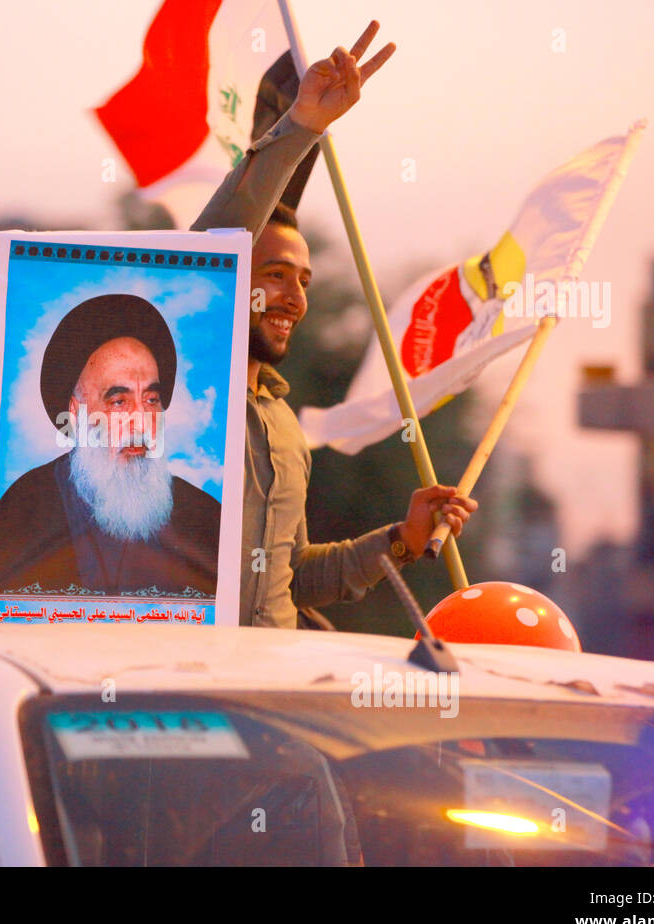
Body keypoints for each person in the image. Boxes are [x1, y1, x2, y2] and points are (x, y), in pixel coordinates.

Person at [189, 22, 478, 627]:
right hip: (180, 685)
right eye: (274, 274)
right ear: (230, 276)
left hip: (268, 694)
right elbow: (218, 242)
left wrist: (401, 537)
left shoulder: (282, 426)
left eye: (304, 281)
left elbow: (296, 580)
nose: (295, 298)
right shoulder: (177, 392)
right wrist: (302, 126)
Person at [0, 294, 221, 598]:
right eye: (118, 402)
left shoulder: (204, 517)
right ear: (76, 412)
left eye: (151, 400)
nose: (140, 423)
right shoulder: (24, 507)